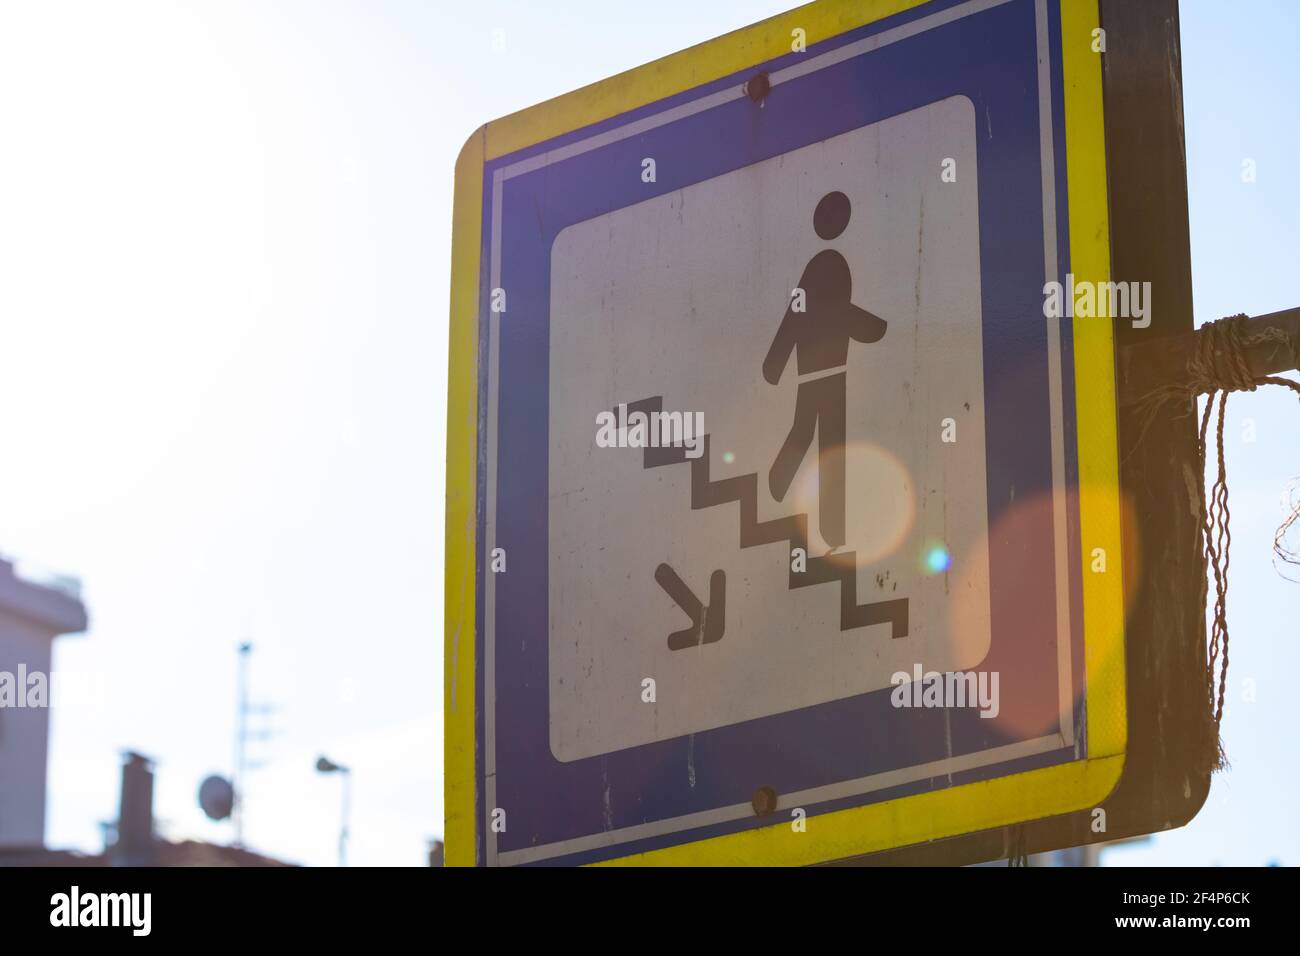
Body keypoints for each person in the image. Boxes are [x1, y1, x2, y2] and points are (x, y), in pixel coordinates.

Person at [763, 190, 888, 548]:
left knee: (817, 439)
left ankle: (827, 525)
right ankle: (784, 487)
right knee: (819, 440)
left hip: (828, 374)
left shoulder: (832, 264)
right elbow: (802, 313)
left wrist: (775, 363)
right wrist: (774, 362)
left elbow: (817, 313)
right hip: (822, 373)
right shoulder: (825, 266)